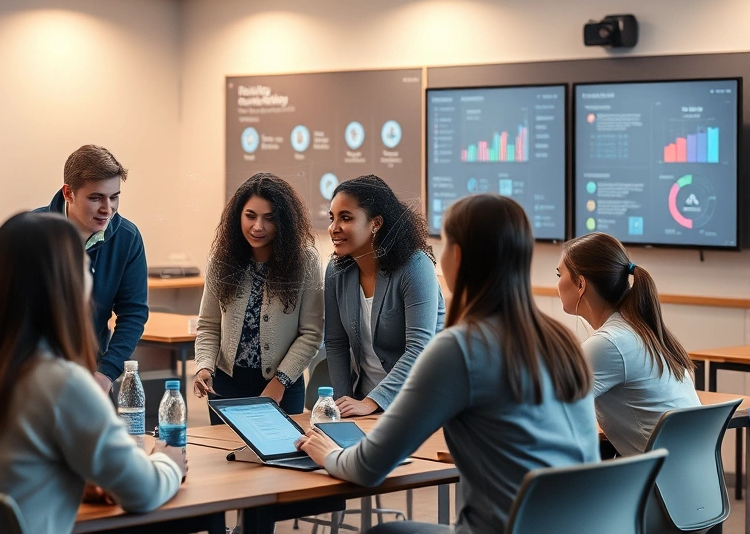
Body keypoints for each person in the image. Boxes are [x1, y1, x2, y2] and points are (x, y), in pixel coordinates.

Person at [297, 194, 598, 534]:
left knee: (385, 532)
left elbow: (369, 467)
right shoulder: (560, 340)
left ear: (457, 256)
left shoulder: (461, 349)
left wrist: (328, 453)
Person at [0, 213, 184, 534]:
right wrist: (168, 462)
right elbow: (143, 491)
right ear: (65, 284)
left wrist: (69, 476)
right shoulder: (60, 383)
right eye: (85, 268)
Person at [192, 173, 323, 424]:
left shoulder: (305, 262)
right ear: (238, 215)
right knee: (226, 460)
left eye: (269, 218)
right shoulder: (221, 260)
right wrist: (204, 367)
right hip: (226, 387)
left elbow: (311, 333)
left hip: (282, 386)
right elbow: (208, 325)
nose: (258, 226)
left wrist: (279, 382)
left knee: (280, 460)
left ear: (283, 222)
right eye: (250, 216)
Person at [557, 231, 699, 457]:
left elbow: (550, 409)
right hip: (684, 482)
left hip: (653, 485)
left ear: (580, 283)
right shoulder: (639, 329)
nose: (557, 283)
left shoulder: (609, 343)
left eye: (559, 274)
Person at [323, 174, 445, 417]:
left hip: (419, 406)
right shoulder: (337, 271)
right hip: (365, 409)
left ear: (375, 223)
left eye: (345, 218)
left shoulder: (415, 266)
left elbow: (420, 348)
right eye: (332, 218)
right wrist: (342, 405)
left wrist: (371, 402)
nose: (333, 228)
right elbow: (336, 343)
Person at [35, 145, 147, 394]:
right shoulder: (32, 234)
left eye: (114, 197)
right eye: (96, 198)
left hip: (92, 376)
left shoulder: (127, 238)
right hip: (33, 379)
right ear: (69, 193)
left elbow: (133, 314)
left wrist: (106, 373)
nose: (107, 208)